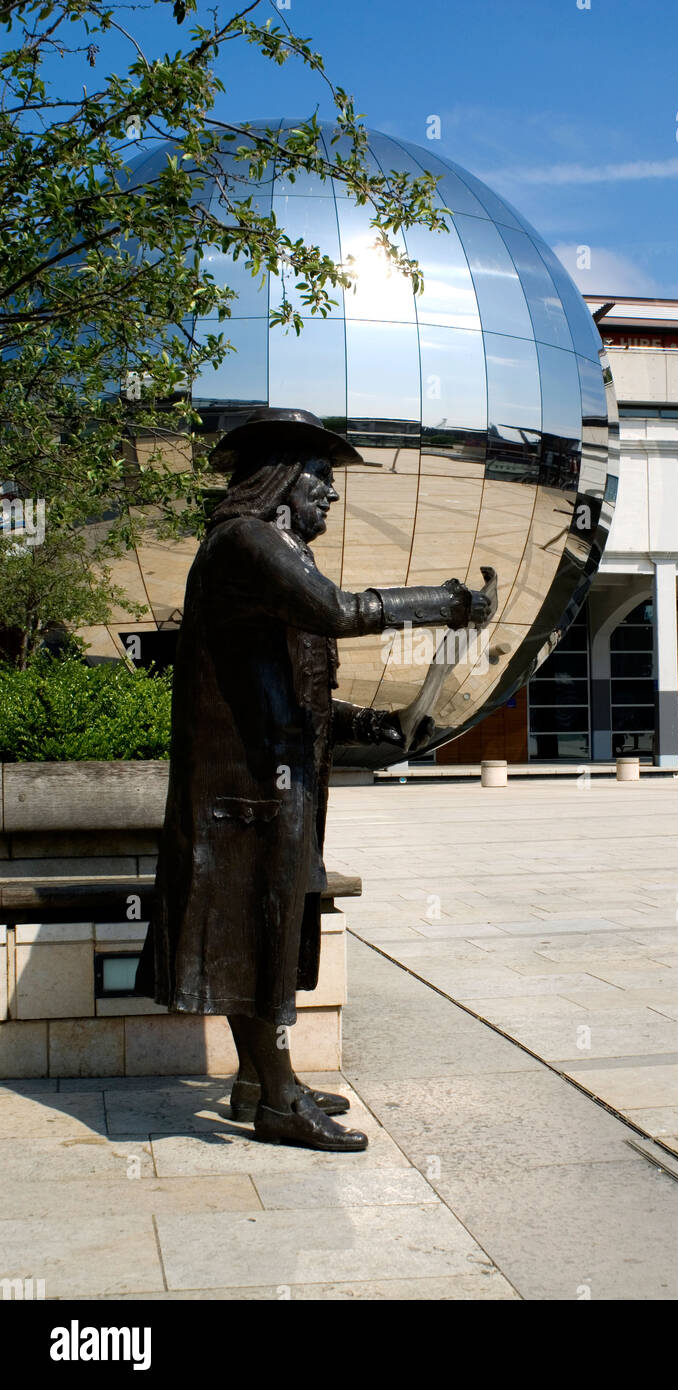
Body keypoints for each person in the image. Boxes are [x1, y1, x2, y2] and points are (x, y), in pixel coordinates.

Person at [134, 407, 494, 1151]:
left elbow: (296, 679)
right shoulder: (247, 542)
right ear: (281, 480)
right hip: (244, 794)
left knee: (262, 934)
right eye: (321, 480)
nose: (330, 496)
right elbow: (339, 613)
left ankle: (262, 1083)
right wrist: (449, 603)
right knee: (252, 931)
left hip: (269, 786)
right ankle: (276, 1098)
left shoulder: (275, 551)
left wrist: (371, 725)